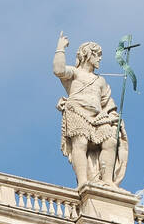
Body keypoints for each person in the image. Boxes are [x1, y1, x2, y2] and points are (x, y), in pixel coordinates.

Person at [53, 33, 127, 188]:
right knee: (80, 143)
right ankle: (82, 182)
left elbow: (107, 102)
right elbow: (58, 70)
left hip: (98, 116)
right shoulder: (75, 72)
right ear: (87, 55)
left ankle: (107, 180)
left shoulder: (100, 80)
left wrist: (113, 115)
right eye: (97, 55)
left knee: (111, 141)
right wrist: (61, 48)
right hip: (77, 111)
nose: (100, 58)